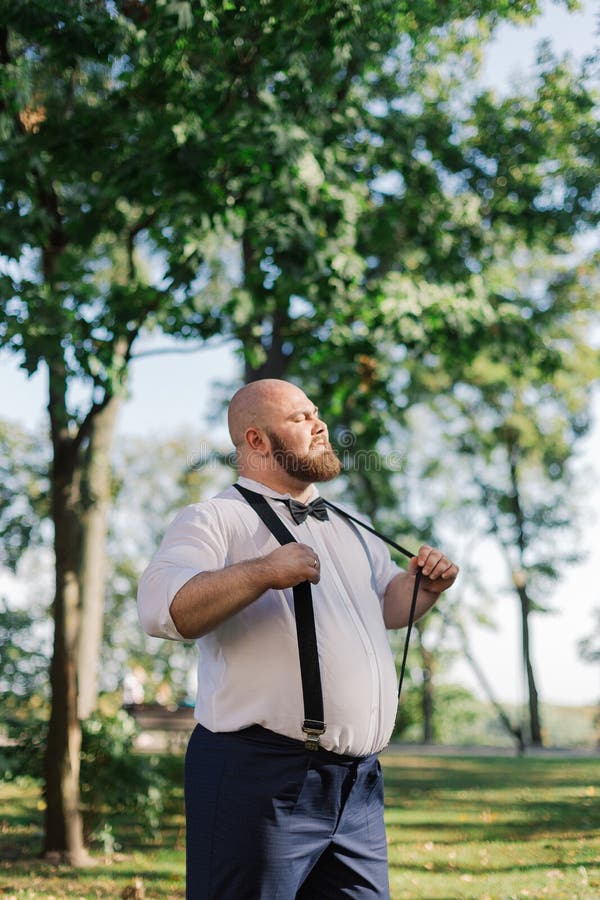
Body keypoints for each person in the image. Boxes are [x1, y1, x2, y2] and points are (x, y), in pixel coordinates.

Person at [137, 378, 458, 899]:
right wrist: (261, 571)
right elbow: (161, 611)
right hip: (259, 779)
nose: (320, 424)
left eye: (316, 412)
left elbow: (386, 609)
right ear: (257, 440)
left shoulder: (350, 524)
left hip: (357, 788)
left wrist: (425, 586)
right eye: (300, 418)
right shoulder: (215, 519)